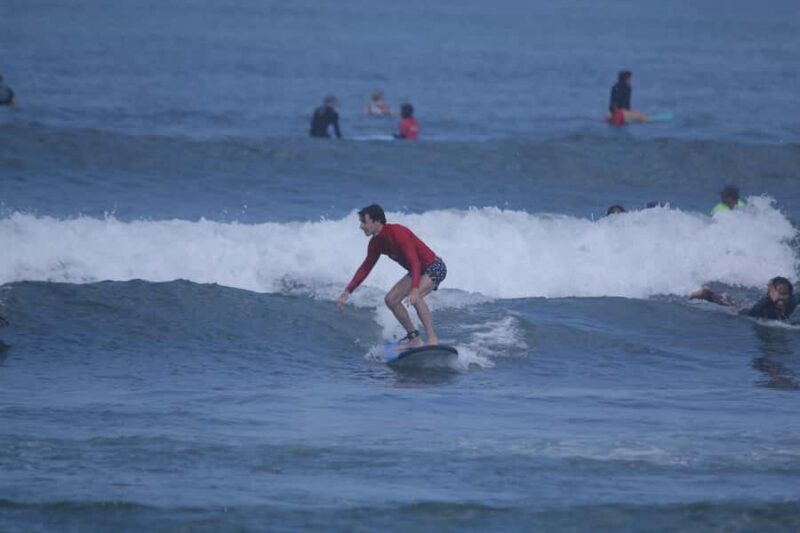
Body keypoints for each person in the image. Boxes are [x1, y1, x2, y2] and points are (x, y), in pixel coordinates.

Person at [337, 204, 447, 348]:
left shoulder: (398, 233)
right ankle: (414, 338)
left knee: (416, 297)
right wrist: (347, 291)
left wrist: (414, 289)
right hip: (418, 271)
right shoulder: (376, 243)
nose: (361, 226)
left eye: (364, 222)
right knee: (391, 299)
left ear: (377, 222)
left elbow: (414, 261)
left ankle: (433, 340)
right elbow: (365, 268)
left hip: (434, 266)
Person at [690, 277, 798, 321]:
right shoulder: (765, 305)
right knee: (731, 306)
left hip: (750, 306)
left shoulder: (792, 301)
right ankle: (707, 295)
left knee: (734, 302)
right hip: (746, 313)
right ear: (771, 293)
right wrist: (770, 298)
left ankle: (711, 294)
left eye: (784, 294)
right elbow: (754, 313)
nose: (781, 297)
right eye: (778, 293)